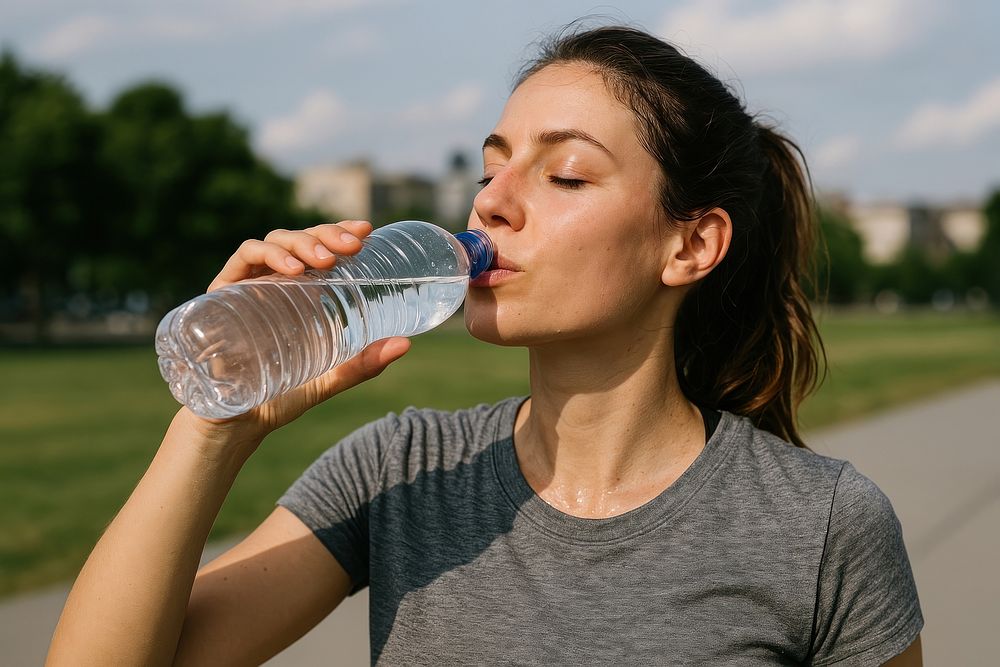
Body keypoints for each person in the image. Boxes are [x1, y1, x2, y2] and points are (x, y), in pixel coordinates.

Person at [47, 25, 923, 665]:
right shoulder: (402, 471)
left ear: (690, 245)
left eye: (566, 173)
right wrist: (214, 424)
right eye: (491, 167)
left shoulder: (820, 526)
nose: (491, 203)